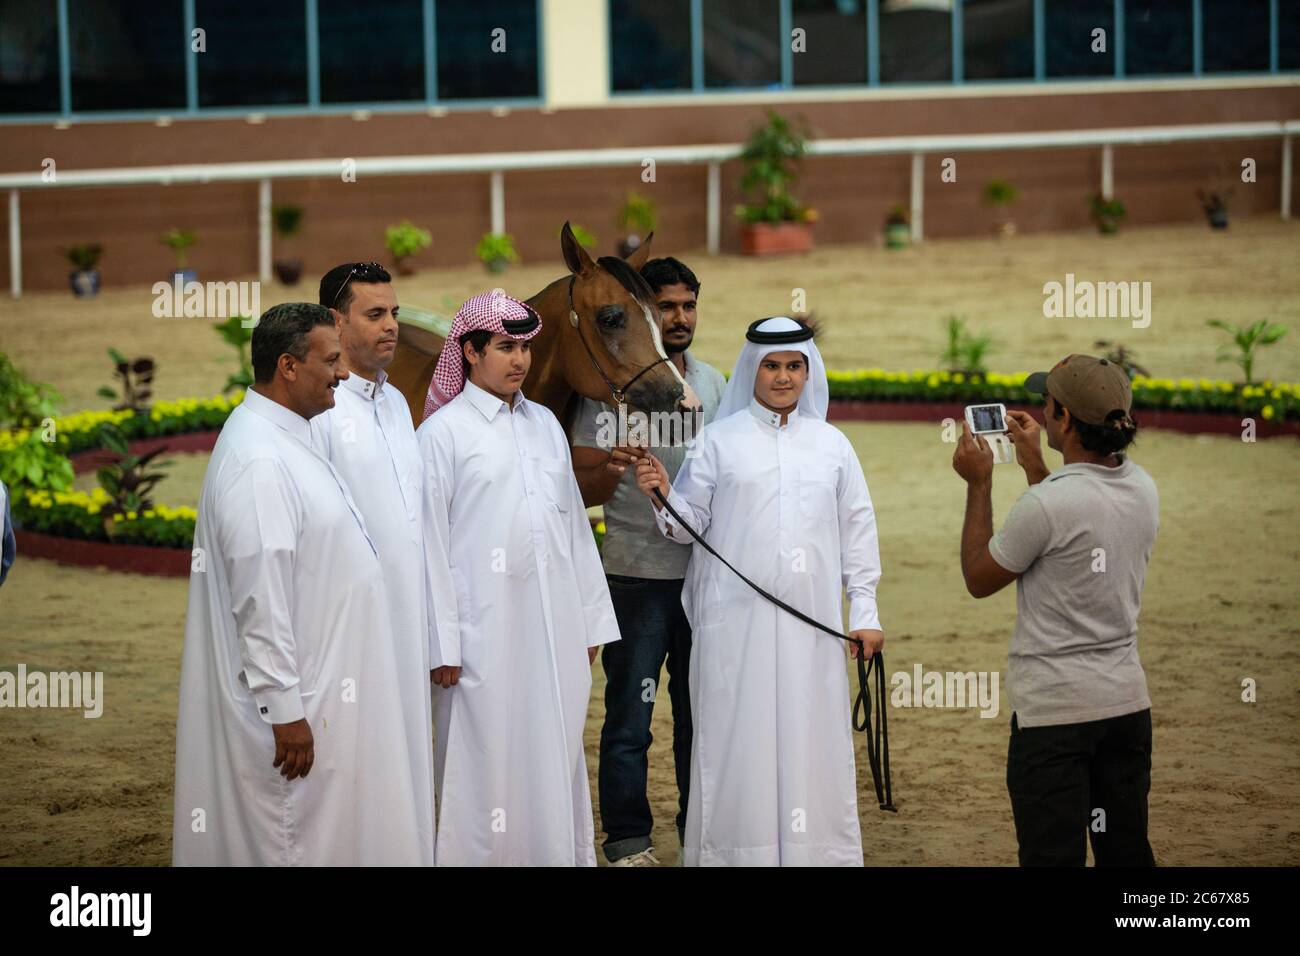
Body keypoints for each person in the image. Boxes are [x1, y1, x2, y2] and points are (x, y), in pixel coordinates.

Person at [173, 302, 425, 866]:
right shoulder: (260, 459)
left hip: (327, 687)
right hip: (298, 710)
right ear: (288, 367)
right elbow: (259, 598)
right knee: (294, 841)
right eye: (331, 360)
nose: (342, 373)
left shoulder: (289, 434)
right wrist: (285, 712)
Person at [633, 316, 884, 867]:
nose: (783, 377)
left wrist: (864, 611)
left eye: (794, 366)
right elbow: (686, 527)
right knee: (735, 744)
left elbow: (857, 532)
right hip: (734, 628)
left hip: (811, 630)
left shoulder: (833, 446)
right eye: (771, 365)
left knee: (810, 739)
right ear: (752, 369)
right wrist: (662, 494)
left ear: (808, 371)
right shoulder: (719, 442)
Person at [417, 290, 620, 866]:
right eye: (506, 347)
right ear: (471, 351)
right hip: (479, 638)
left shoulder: (545, 427)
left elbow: (573, 530)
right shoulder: (441, 435)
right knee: (482, 764)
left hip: (553, 631)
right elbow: (427, 543)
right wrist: (442, 640)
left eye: (526, 348)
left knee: (551, 754)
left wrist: (588, 622)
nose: (520, 361)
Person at [951, 354, 1158, 867]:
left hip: (1055, 717)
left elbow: (979, 577)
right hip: (1126, 707)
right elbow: (1069, 521)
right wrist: (1036, 467)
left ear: (1064, 419)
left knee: (1052, 859)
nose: (1040, 413)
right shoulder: (1142, 487)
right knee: (1127, 853)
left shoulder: (1046, 505)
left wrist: (979, 484)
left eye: (1047, 405)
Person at [570, 256, 726, 867]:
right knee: (631, 720)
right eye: (666, 306)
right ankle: (629, 841)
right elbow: (580, 479)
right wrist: (610, 463)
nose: (680, 317)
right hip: (634, 576)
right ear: (644, 315)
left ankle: (700, 834)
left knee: (700, 717)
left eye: (688, 304)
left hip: (705, 582)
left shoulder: (714, 385)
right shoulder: (608, 389)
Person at [310, 262, 458, 866]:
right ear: (335, 322)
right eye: (375, 315)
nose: (392, 326)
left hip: (404, 632)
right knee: (349, 771)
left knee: (404, 766)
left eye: (395, 312)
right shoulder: (318, 411)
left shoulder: (397, 403)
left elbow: (421, 531)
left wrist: (437, 632)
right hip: (346, 635)